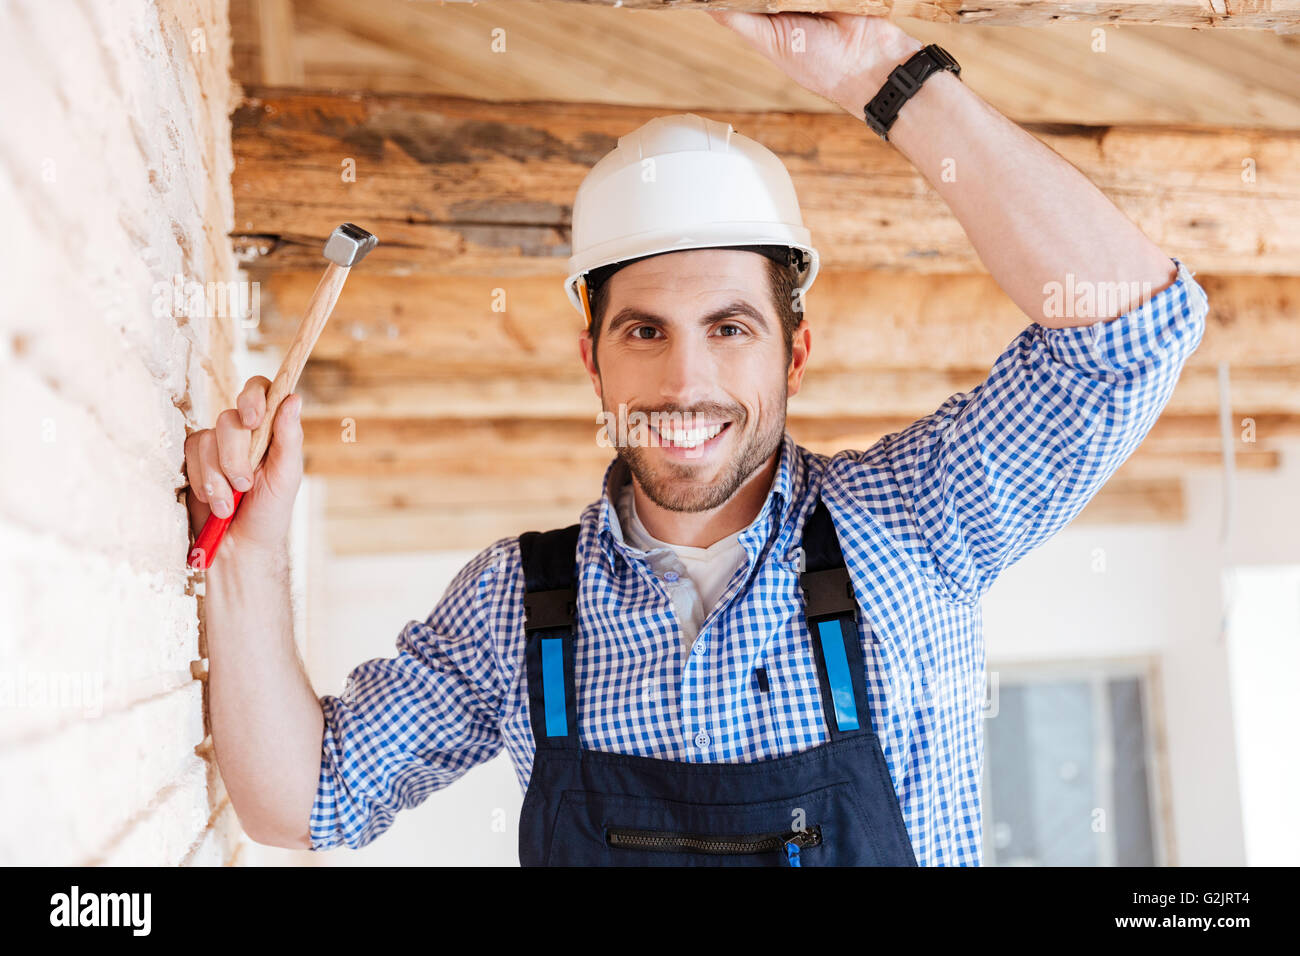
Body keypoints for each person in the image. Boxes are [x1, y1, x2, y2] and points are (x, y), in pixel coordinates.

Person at [185, 11, 1208, 865]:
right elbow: (303, 797)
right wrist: (256, 548)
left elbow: (1131, 332)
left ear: (793, 353)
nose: (685, 380)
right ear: (591, 358)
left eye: (730, 327)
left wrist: (884, 75)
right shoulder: (517, 606)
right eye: (643, 331)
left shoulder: (913, 524)